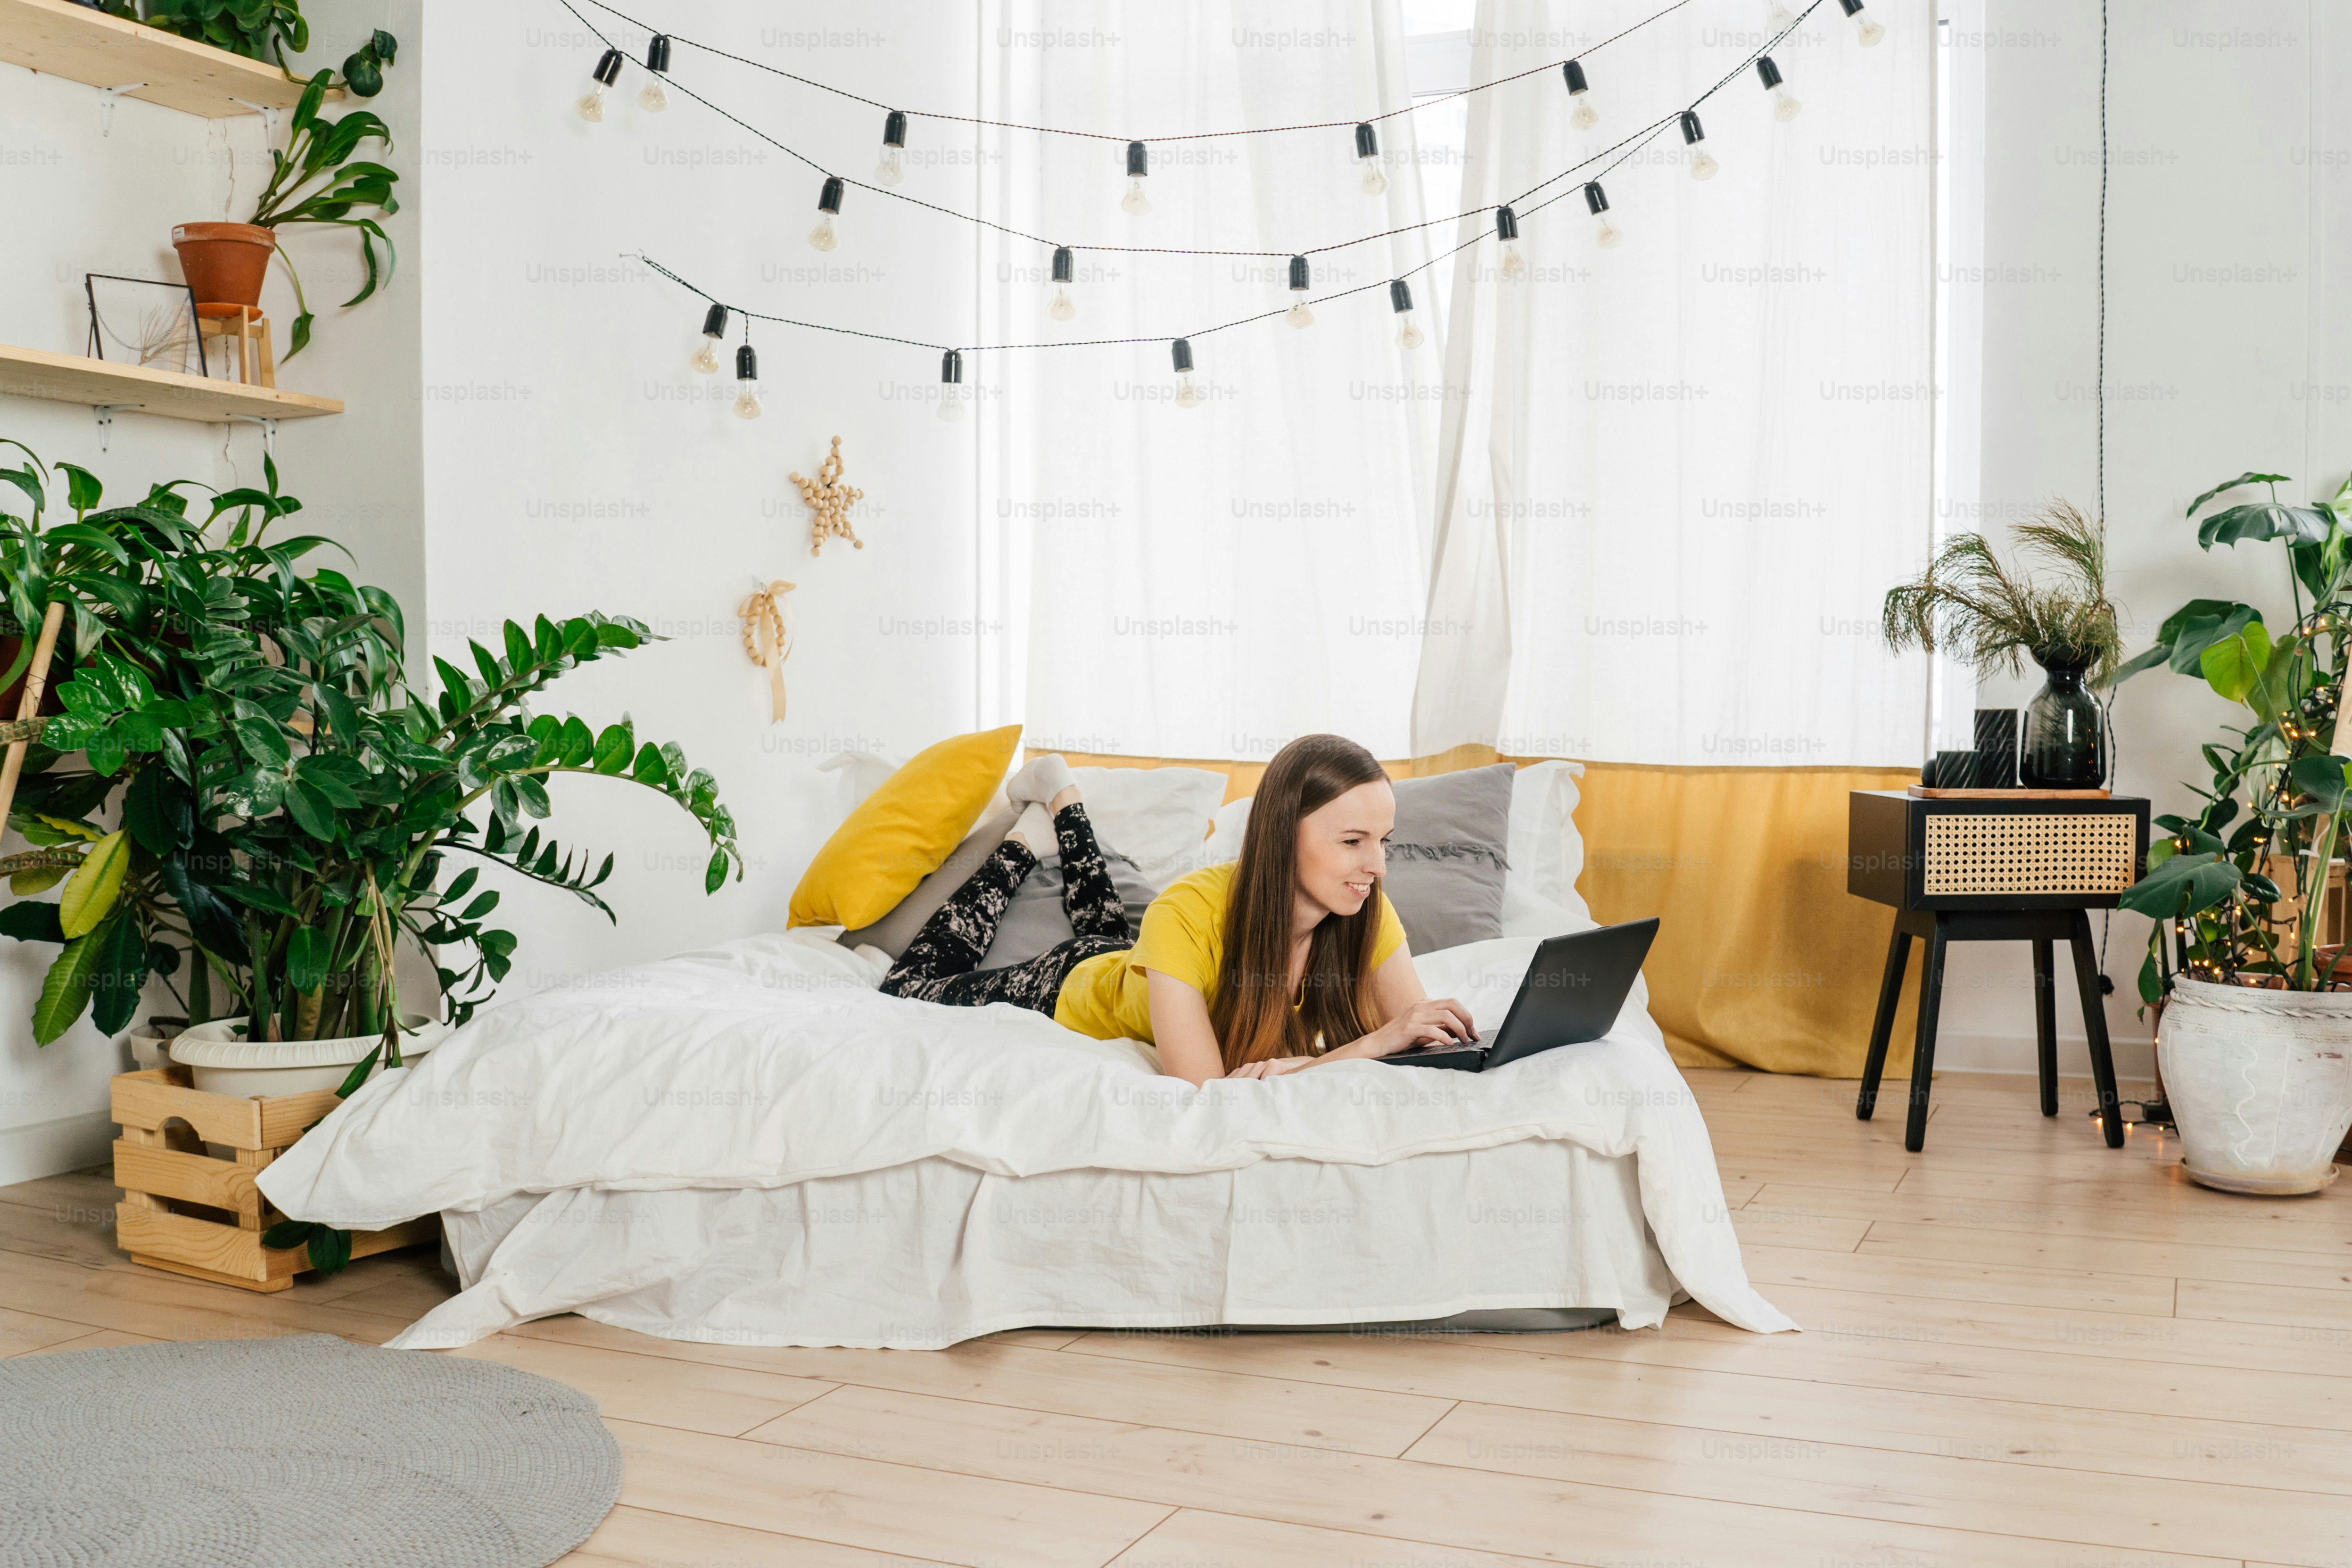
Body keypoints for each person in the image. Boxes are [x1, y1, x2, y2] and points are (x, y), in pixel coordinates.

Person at [879, 733, 1477, 1083]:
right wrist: (1369, 1045)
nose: (1378, 865)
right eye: (1353, 841)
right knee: (908, 984)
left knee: (1112, 926)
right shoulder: (1186, 912)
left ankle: (1062, 805)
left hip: (1146, 960)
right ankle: (1021, 846)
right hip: (1074, 982)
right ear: (1280, 835)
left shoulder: (1367, 909)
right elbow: (1206, 1090)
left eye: (1384, 840)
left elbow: (1419, 1042)